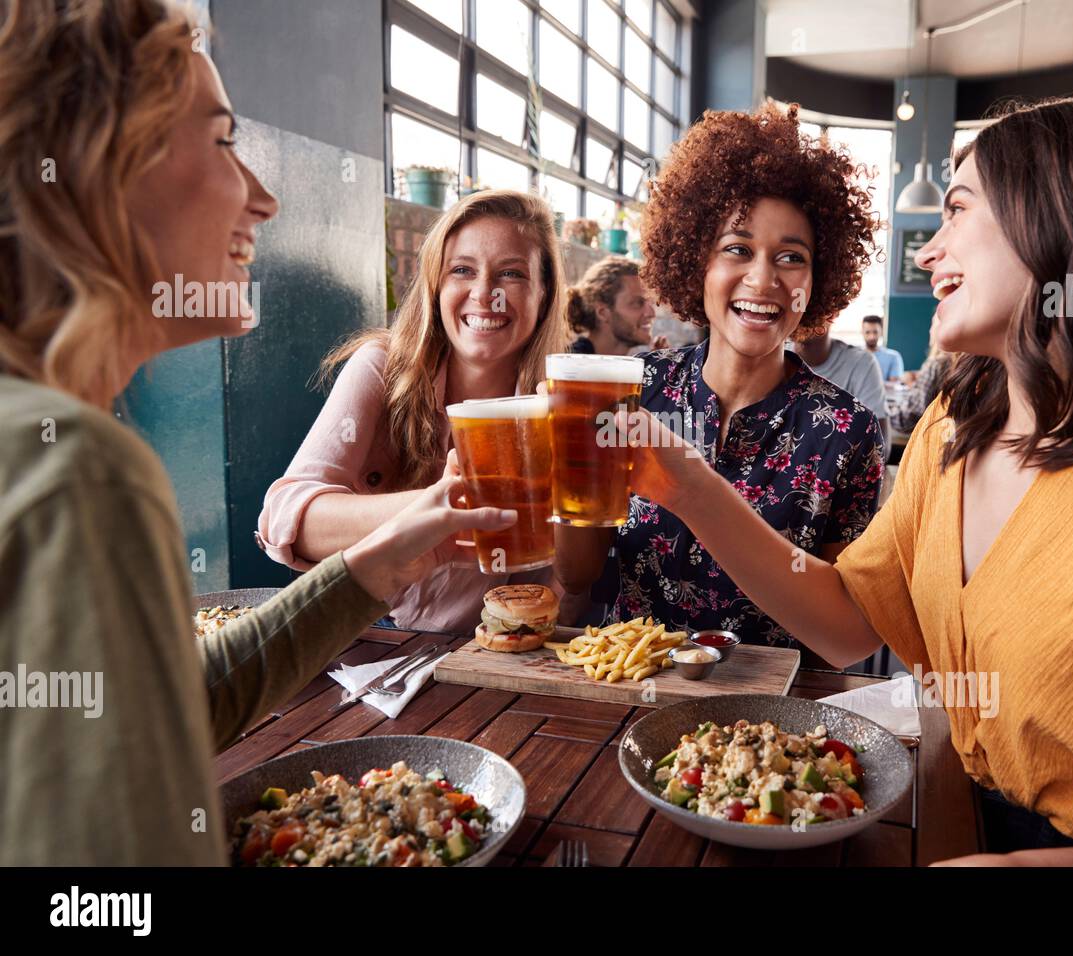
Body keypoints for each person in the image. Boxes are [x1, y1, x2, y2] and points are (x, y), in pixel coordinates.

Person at [604, 96, 1073, 863]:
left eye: (958, 211)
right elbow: (846, 622)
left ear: (1064, 222)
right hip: (951, 808)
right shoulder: (954, 432)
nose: (929, 254)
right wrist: (691, 485)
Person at [0, 0, 518, 864]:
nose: (266, 197)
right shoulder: (83, 474)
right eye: (223, 140)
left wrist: (376, 566)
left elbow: (172, 706)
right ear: (100, 169)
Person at [554, 103, 886, 652]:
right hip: (627, 690)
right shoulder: (631, 390)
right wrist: (572, 466)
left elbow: (846, 637)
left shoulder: (850, 433)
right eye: (737, 249)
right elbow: (577, 575)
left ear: (817, 280)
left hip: (770, 723)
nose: (762, 278)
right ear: (695, 263)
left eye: (791, 257)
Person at [257, 189, 571, 633]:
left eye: (512, 275)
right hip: (371, 640)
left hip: (495, 651)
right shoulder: (381, 368)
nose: (485, 294)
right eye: (462, 270)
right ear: (436, 287)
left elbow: (568, 581)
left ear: (544, 296)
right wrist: (433, 508)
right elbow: (285, 517)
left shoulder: (561, 404)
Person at [790, 326, 890, 445]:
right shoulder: (771, 357)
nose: (801, 310)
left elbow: (880, 446)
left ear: (834, 311)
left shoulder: (860, 363)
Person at [565, 256, 666, 355]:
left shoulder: (626, 367)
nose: (652, 313)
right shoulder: (570, 364)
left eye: (651, 302)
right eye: (637, 303)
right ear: (603, 312)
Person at [890, 313, 952, 434]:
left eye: (933, 324)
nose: (929, 330)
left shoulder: (935, 365)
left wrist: (886, 412)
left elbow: (907, 420)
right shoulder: (959, 363)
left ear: (942, 330)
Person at [862, 314, 904, 382]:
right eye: (867, 332)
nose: (872, 337)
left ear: (881, 332)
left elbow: (894, 385)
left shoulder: (893, 356)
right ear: (862, 332)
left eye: (875, 332)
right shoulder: (854, 356)